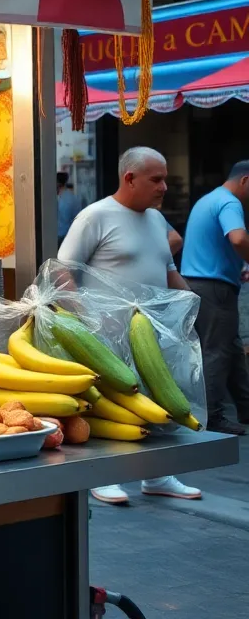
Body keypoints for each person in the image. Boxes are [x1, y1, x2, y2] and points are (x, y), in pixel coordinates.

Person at [58, 147, 200, 504]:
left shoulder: (155, 220)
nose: (164, 186)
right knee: (108, 408)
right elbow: (62, 270)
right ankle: (103, 475)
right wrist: (83, 321)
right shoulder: (95, 216)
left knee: (153, 405)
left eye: (165, 178)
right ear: (129, 178)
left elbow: (168, 270)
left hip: (149, 335)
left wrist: (192, 303)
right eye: (157, 179)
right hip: (104, 336)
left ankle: (157, 475)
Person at [180, 161, 249, 435]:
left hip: (203, 283)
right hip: (214, 289)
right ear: (245, 180)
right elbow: (238, 239)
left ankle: (245, 408)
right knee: (216, 352)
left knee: (231, 349)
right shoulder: (230, 203)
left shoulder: (210, 199)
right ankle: (212, 417)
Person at [57, 172, 82, 245]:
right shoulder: (70, 197)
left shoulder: (65, 200)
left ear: (58, 183)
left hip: (63, 236)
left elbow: (64, 221)